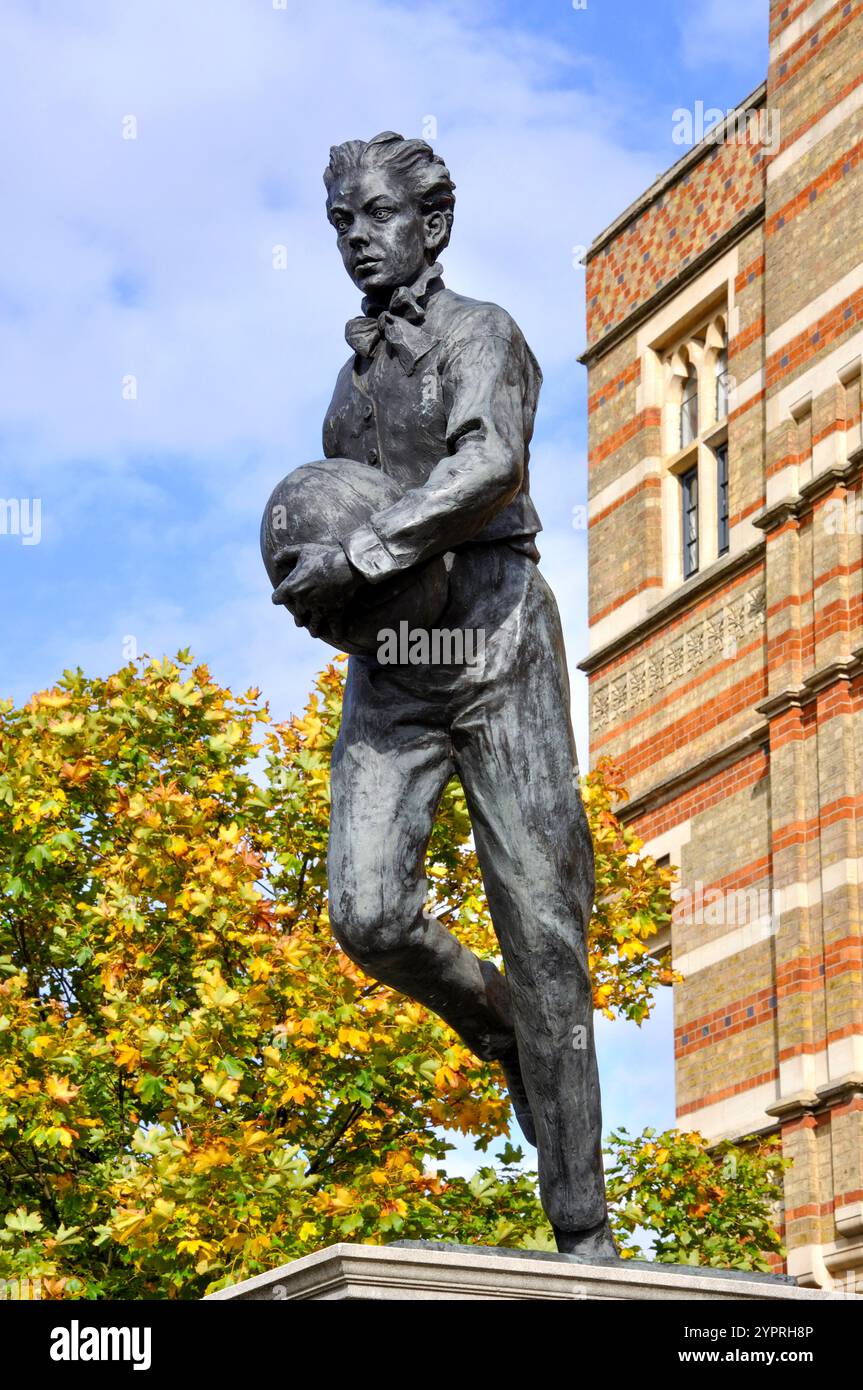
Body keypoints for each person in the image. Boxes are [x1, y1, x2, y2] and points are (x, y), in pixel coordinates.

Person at [271, 131, 617, 1257]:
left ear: (431, 225)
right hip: (397, 671)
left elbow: (490, 468)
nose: (356, 240)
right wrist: (320, 594)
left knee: (545, 934)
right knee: (365, 913)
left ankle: (582, 1231)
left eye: (373, 217)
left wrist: (363, 555)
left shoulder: (481, 335)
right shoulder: (347, 387)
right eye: (339, 225)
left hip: (496, 644)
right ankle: (501, 1023)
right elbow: (342, 513)